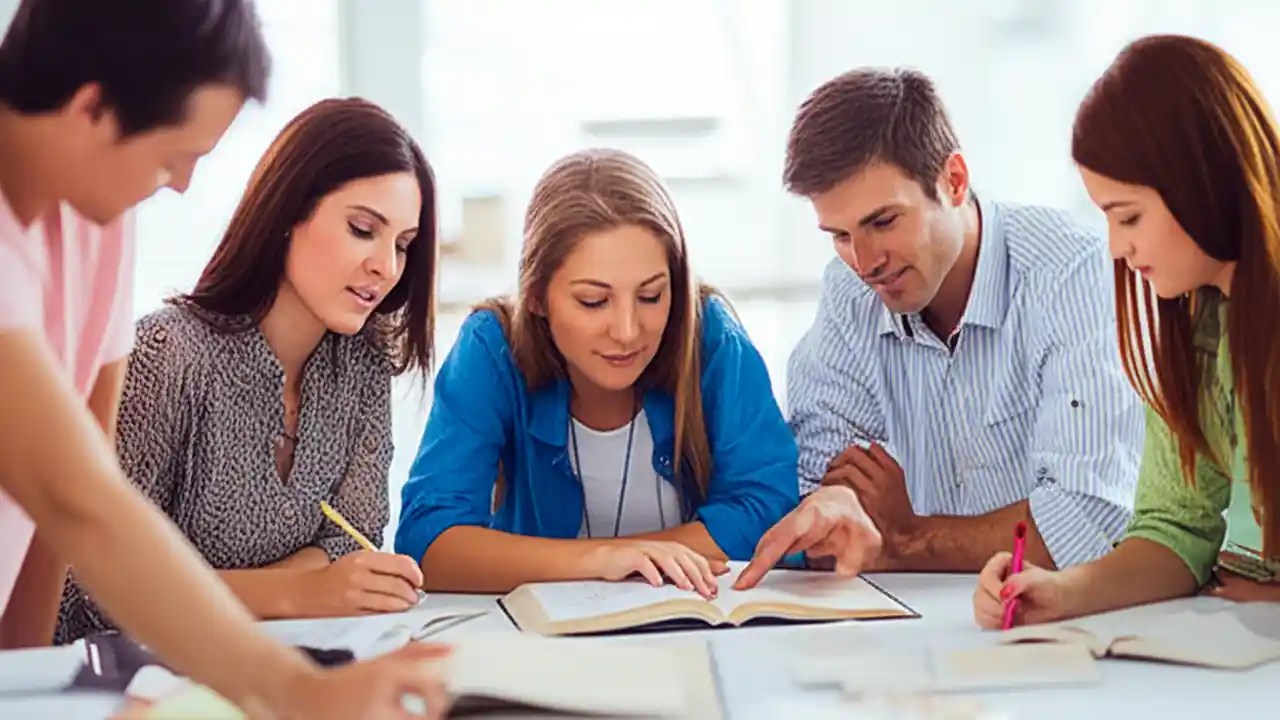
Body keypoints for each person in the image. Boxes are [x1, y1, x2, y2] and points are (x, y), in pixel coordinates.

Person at [0, 2, 450, 717]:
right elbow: (80, 506)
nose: (180, 184)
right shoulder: (168, 344)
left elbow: (62, 527)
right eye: (174, 155)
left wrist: (21, 687)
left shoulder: (102, 230)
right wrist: (297, 687)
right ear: (91, 110)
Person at [735, 66, 1145, 590]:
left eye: (883, 222)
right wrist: (833, 510)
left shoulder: (1074, 274)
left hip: (1063, 624)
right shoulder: (850, 291)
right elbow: (818, 496)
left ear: (953, 181)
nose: (863, 262)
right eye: (839, 234)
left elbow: (1086, 521)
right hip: (917, 624)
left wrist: (906, 537)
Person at [54, 97, 438, 643]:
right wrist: (298, 592)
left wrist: (236, 593)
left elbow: (352, 541)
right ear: (287, 213)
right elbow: (98, 587)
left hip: (277, 659)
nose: (386, 266)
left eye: (403, 244)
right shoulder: (169, 351)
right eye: (361, 228)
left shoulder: (363, 363)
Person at [973, 34, 1280, 628]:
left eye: (1129, 216)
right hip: (1235, 651)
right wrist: (1061, 592)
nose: (1118, 248)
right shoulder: (1195, 327)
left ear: (1203, 177)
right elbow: (1176, 529)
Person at [395, 148, 798, 598]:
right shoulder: (492, 347)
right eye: (593, 301)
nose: (627, 332)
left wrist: (627, 556)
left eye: (650, 296)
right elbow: (428, 541)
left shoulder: (710, 338)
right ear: (536, 297)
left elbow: (770, 513)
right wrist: (600, 561)